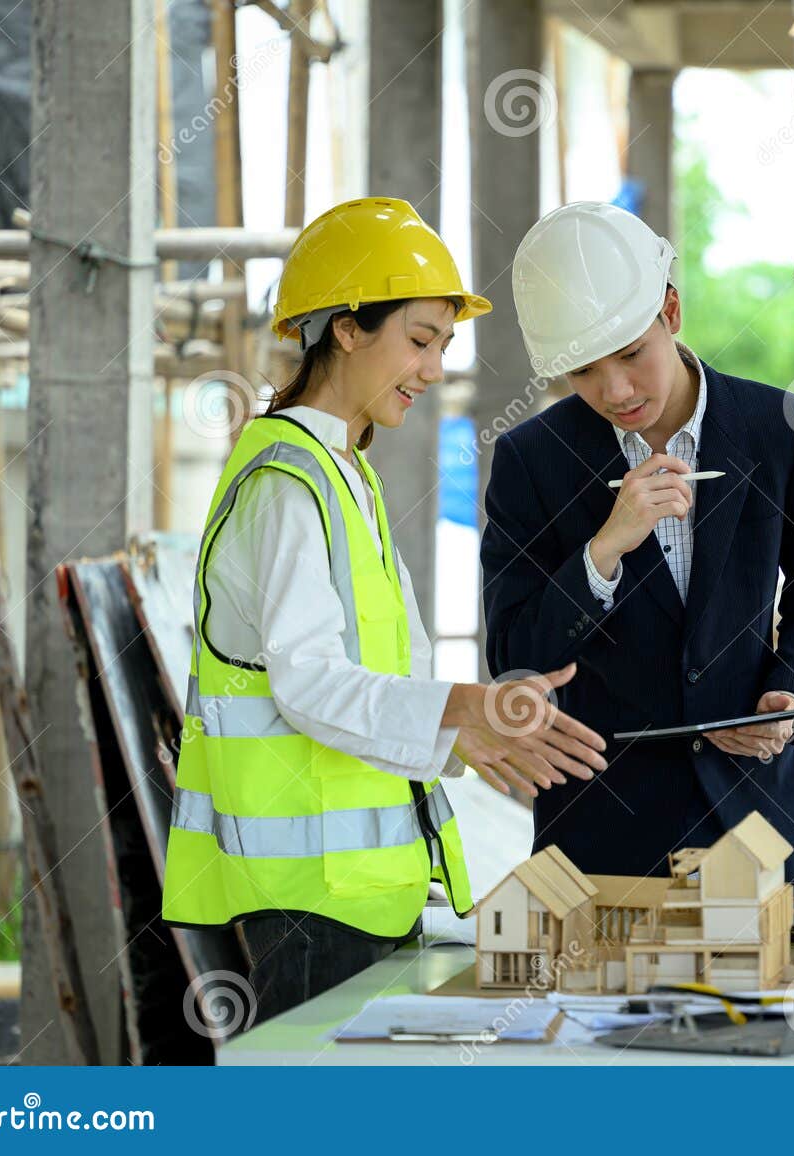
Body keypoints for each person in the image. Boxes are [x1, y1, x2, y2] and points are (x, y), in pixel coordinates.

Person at [162, 197, 607, 1023]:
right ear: (347, 330)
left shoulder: (344, 475)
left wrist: (462, 728)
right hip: (301, 905)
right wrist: (458, 710)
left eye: (443, 345)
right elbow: (310, 687)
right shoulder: (286, 488)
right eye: (420, 339)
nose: (434, 369)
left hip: (357, 895)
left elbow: (368, 686)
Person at [480, 201, 794, 882]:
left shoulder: (781, 430)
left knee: (770, 990)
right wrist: (605, 550)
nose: (616, 390)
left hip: (755, 819)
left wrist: (790, 701)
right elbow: (515, 657)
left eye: (631, 355)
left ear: (672, 313)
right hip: (600, 833)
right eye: (584, 371)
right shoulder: (532, 458)